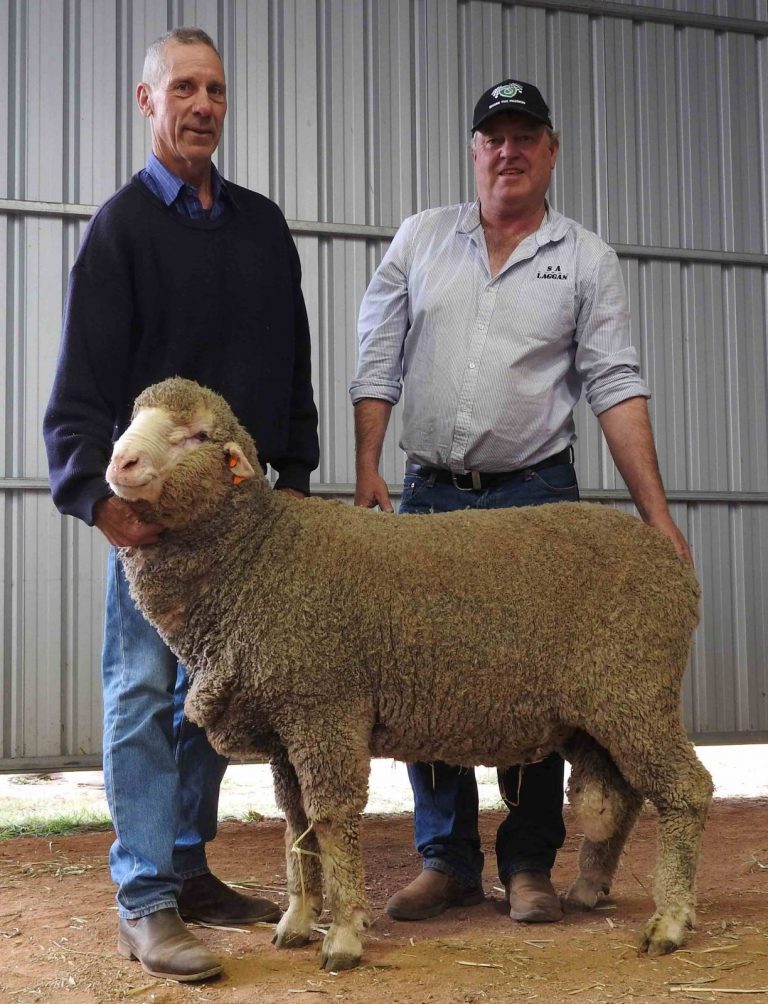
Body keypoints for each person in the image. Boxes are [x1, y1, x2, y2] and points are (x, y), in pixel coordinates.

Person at [350, 78, 691, 928]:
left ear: (551, 149)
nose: (509, 150)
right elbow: (375, 358)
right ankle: (448, 862)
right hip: (431, 489)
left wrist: (656, 514)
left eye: (525, 136)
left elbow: (615, 383)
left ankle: (530, 864)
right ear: (474, 150)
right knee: (423, 677)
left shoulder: (584, 258)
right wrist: (366, 469)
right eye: (493, 136)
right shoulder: (422, 239)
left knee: (546, 684)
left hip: (536, 496)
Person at [43, 27, 319, 982]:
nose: (204, 105)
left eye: (217, 91)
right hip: (157, 530)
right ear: (147, 101)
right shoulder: (122, 228)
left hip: (248, 531)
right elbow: (80, 386)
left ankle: (191, 871)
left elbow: (292, 359)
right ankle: (144, 899)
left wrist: (301, 470)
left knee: (213, 702)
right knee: (143, 693)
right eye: (185, 89)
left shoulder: (262, 225)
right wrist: (94, 498)